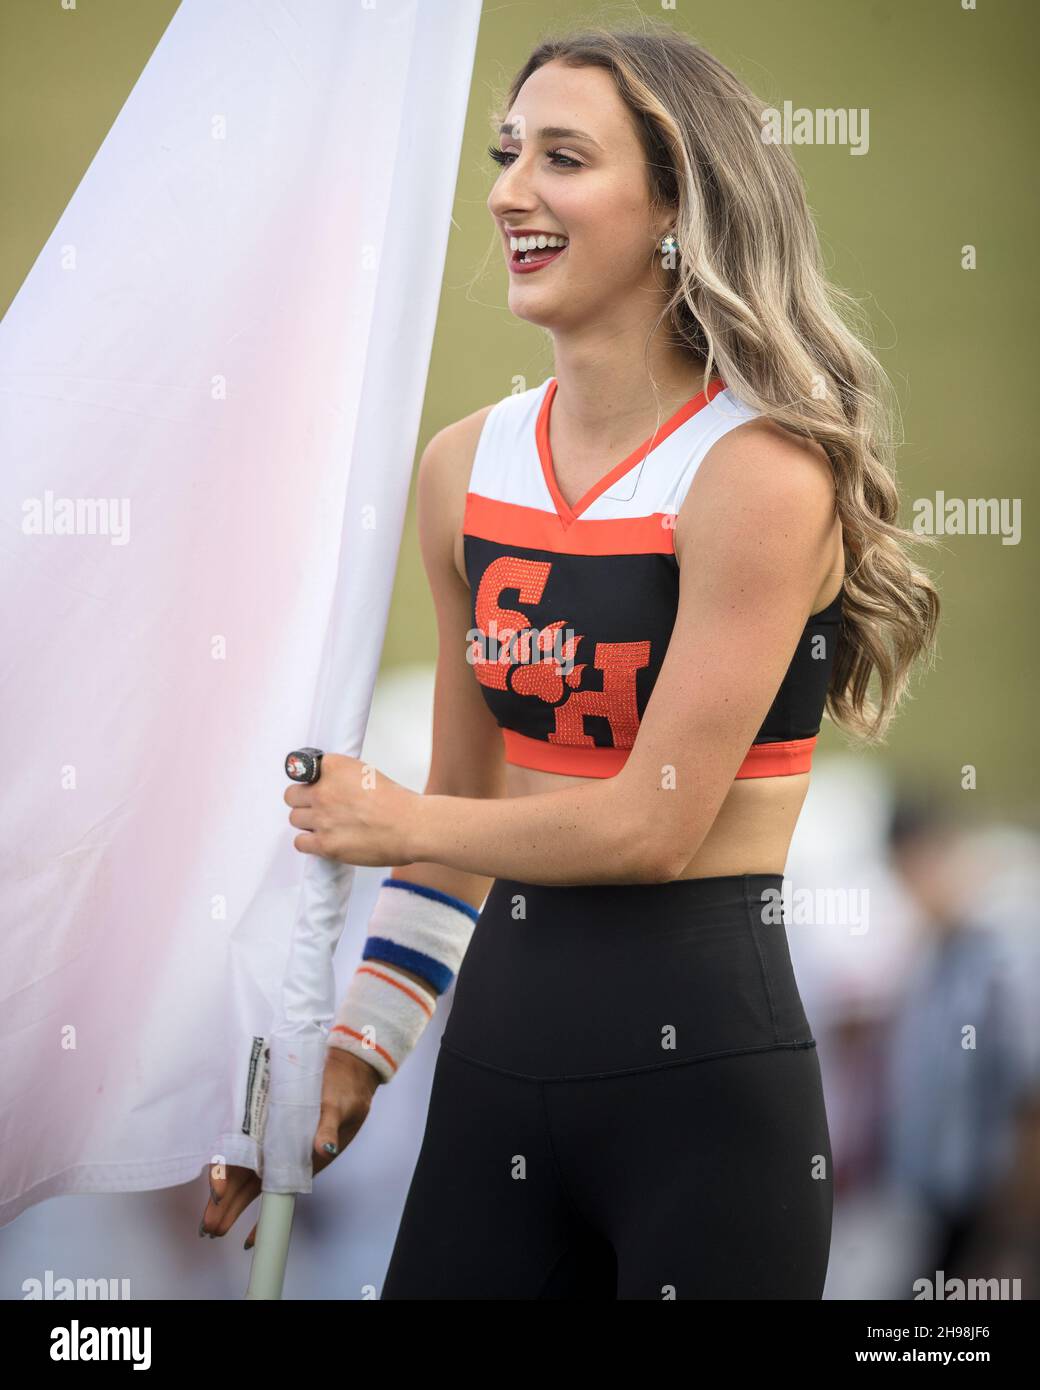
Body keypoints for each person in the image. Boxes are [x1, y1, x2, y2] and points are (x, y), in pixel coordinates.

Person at [200, 22, 940, 1299]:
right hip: (493, 1077)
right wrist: (354, 1057)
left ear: (671, 207)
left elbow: (653, 828)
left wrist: (389, 815)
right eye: (505, 153)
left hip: (703, 1096)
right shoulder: (461, 468)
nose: (509, 191)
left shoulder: (758, 474)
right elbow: (464, 819)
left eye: (562, 157)